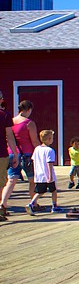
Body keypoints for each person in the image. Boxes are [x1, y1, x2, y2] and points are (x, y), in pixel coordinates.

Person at [25, 129, 64, 215]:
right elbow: (49, 163)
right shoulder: (50, 150)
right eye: (52, 138)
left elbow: (34, 161)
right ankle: (54, 206)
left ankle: (31, 203)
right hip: (47, 174)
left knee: (40, 191)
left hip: (39, 175)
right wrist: (50, 176)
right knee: (53, 190)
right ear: (49, 139)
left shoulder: (37, 149)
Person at [0, 91, 24, 219]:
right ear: (1, 99)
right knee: (1, 182)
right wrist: (15, 153)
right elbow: (9, 136)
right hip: (1, 154)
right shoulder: (5, 115)